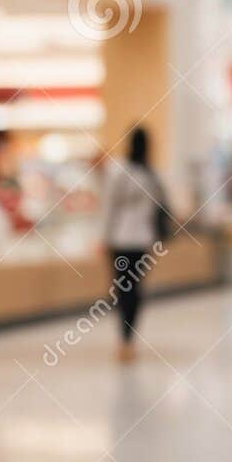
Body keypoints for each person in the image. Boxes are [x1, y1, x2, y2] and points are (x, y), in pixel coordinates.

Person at [103, 126, 168, 362]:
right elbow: (157, 208)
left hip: (120, 239)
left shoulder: (118, 171)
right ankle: (129, 337)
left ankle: (124, 338)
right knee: (135, 288)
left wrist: (104, 236)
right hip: (142, 240)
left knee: (123, 288)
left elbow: (109, 207)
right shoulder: (151, 175)